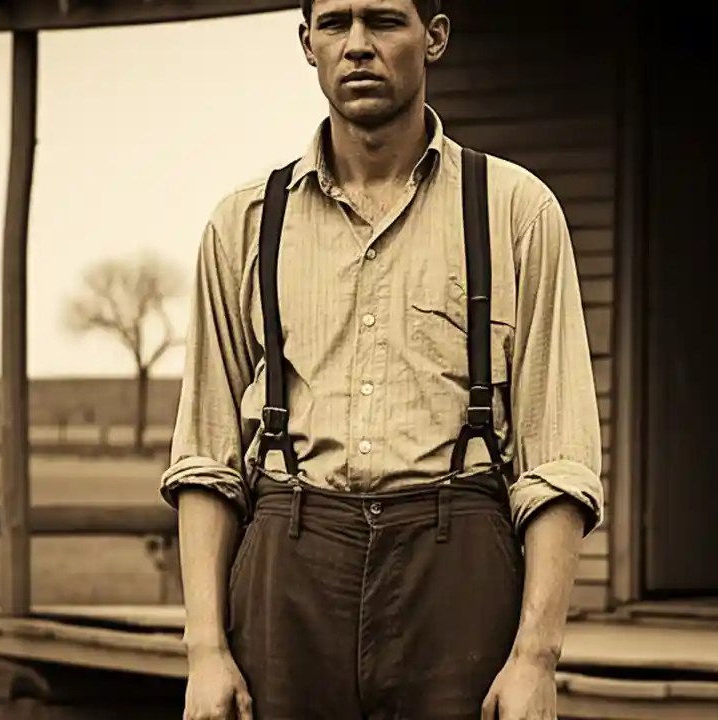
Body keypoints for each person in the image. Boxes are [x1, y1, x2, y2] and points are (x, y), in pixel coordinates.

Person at [160, 0, 604, 717]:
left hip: (456, 561)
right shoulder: (245, 223)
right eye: (335, 24)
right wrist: (205, 651)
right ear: (307, 44)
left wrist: (536, 657)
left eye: (384, 21)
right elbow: (207, 456)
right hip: (288, 560)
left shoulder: (516, 210)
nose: (357, 46)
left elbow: (559, 457)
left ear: (434, 37)